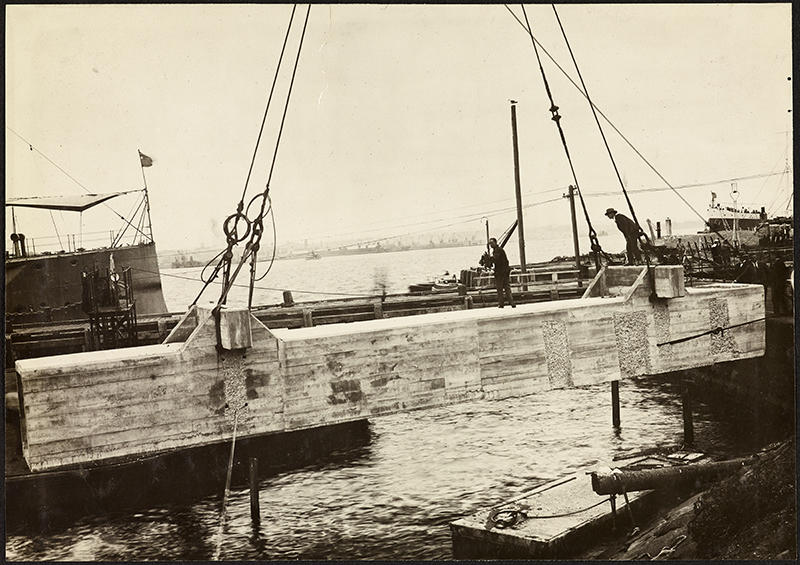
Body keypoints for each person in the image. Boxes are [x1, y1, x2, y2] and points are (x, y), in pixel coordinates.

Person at [488, 237, 515, 308]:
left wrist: (489, 259)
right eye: (490, 243)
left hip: (501, 273)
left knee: (500, 288)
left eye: (492, 243)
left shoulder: (498, 250)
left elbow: (496, 259)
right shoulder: (498, 250)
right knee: (506, 287)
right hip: (504, 271)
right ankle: (511, 303)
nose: (491, 245)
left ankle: (501, 304)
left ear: (495, 242)